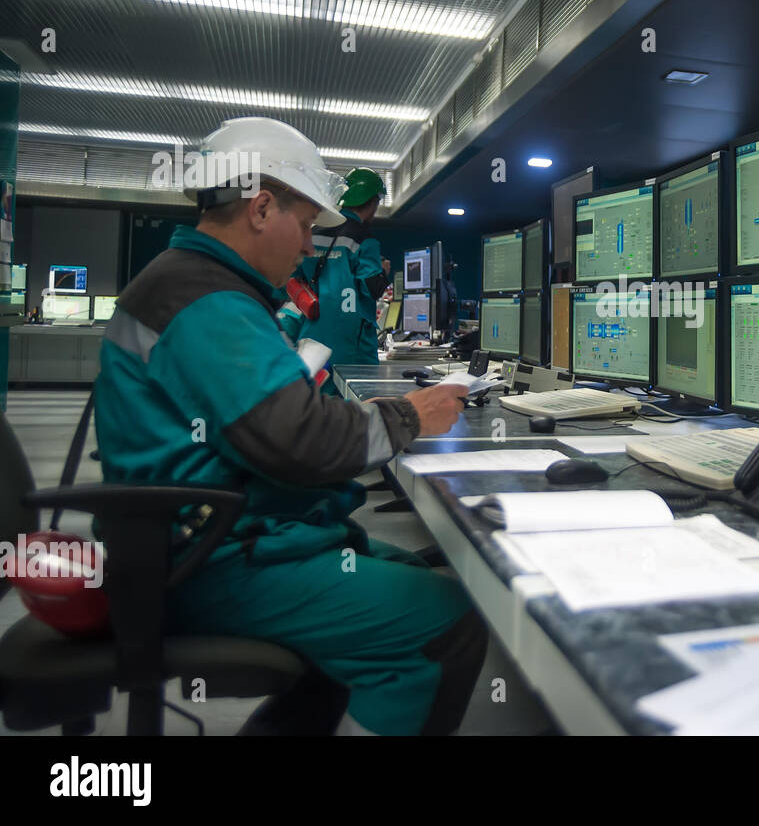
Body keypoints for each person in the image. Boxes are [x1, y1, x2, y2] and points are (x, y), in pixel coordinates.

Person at [94, 117, 486, 735]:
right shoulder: (206, 299)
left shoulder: (203, 287)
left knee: (405, 574)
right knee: (443, 623)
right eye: (305, 226)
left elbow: (267, 419)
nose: (309, 246)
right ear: (261, 207)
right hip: (212, 560)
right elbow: (297, 442)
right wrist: (415, 414)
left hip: (210, 538)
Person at [279, 167, 390, 392]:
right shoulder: (365, 240)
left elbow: (291, 283)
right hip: (352, 348)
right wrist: (384, 271)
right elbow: (372, 287)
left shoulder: (313, 233)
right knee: (357, 409)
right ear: (372, 202)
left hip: (311, 342)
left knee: (313, 404)